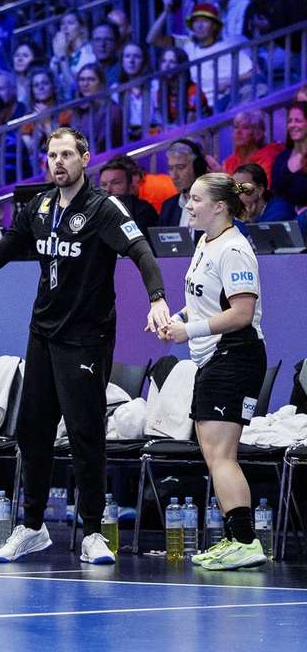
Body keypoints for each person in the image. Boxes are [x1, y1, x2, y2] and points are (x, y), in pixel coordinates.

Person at [0, 127, 170, 565]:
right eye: (52, 155)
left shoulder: (103, 208)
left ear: (85, 158)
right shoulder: (38, 207)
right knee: (33, 432)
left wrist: (157, 299)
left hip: (87, 337)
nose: (58, 162)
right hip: (43, 333)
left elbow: (141, 252)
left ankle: (93, 533)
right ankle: (33, 526)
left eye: (67, 155)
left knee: (85, 433)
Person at [160, 173, 268, 570]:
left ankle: (246, 542)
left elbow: (241, 314)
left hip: (236, 356)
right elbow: (204, 302)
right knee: (214, 454)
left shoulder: (235, 249)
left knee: (222, 455)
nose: (188, 206)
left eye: (196, 199)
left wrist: (189, 331)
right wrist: (178, 318)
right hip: (213, 358)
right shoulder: (205, 243)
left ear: (220, 206)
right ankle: (235, 538)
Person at [98, 155, 160, 237]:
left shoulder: (144, 210)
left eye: (116, 183)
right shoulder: (94, 210)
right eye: (103, 184)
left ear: (130, 186)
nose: (108, 190)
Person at [222, 109, 283, 182]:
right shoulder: (230, 162)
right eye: (236, 127)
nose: (238, 132)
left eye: (245, 128)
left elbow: (264, 188)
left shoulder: (267, 159)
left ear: (258, 134)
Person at [159, 140, 209, 227]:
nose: (174, 176)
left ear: (197, 168)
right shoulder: (168, 207)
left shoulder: (213, 206)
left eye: (180, 167)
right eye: (171, 168)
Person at [270, 101, 307, 211]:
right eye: (289, 121)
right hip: (284, 216)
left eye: (298, 121)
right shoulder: (281, 158)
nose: (292, 125)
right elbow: (275, 195)